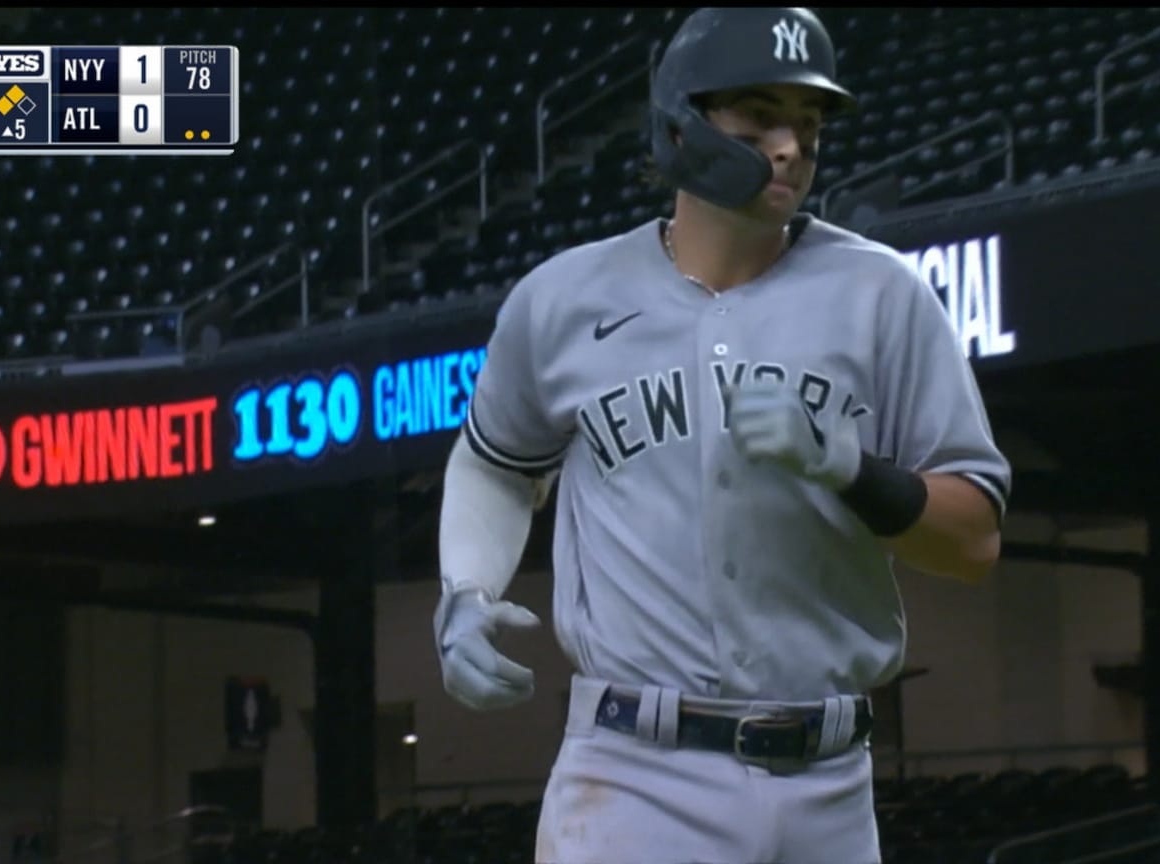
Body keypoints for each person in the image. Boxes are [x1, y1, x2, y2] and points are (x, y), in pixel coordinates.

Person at [433, 7, 1011, 863]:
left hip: (830, 781)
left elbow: (974, 543)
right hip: (635, 777)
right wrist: (464, 595)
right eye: (760, 115)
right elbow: (496, 465)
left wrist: (852, 470)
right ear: (680, 122)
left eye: (808, 124)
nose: (790, 146)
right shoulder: (564, 299)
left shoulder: (885, 296)